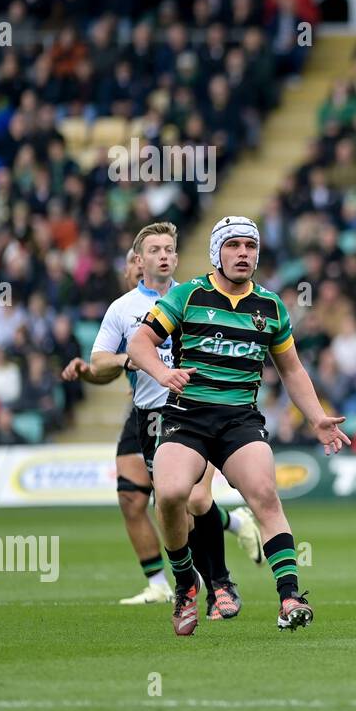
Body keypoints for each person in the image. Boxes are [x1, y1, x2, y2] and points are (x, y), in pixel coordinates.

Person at [126, 216, 350, 635]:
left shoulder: (271, 306)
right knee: (171, 494)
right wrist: (161, 373)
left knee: (265, 495)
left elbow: (293, 370)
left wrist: (317, 417)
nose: (243, 253)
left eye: (250, 246)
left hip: (239, 420)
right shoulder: (188, 296)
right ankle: (185, 585)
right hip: (187, 416)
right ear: (217, 253)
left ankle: (289, 597)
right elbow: (140, 342)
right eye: (234, 246)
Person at [62, 226, 262, 612]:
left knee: (193, 502)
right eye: (155, 250)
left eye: (170, 249)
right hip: (147, 415)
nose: (165, 256)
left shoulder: (196, 298)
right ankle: (172, 581)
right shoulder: (123, 308)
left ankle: (219, 586)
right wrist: (125, 361)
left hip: (195, 410)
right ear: (140, 259)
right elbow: (102, 361)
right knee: (150, 503)